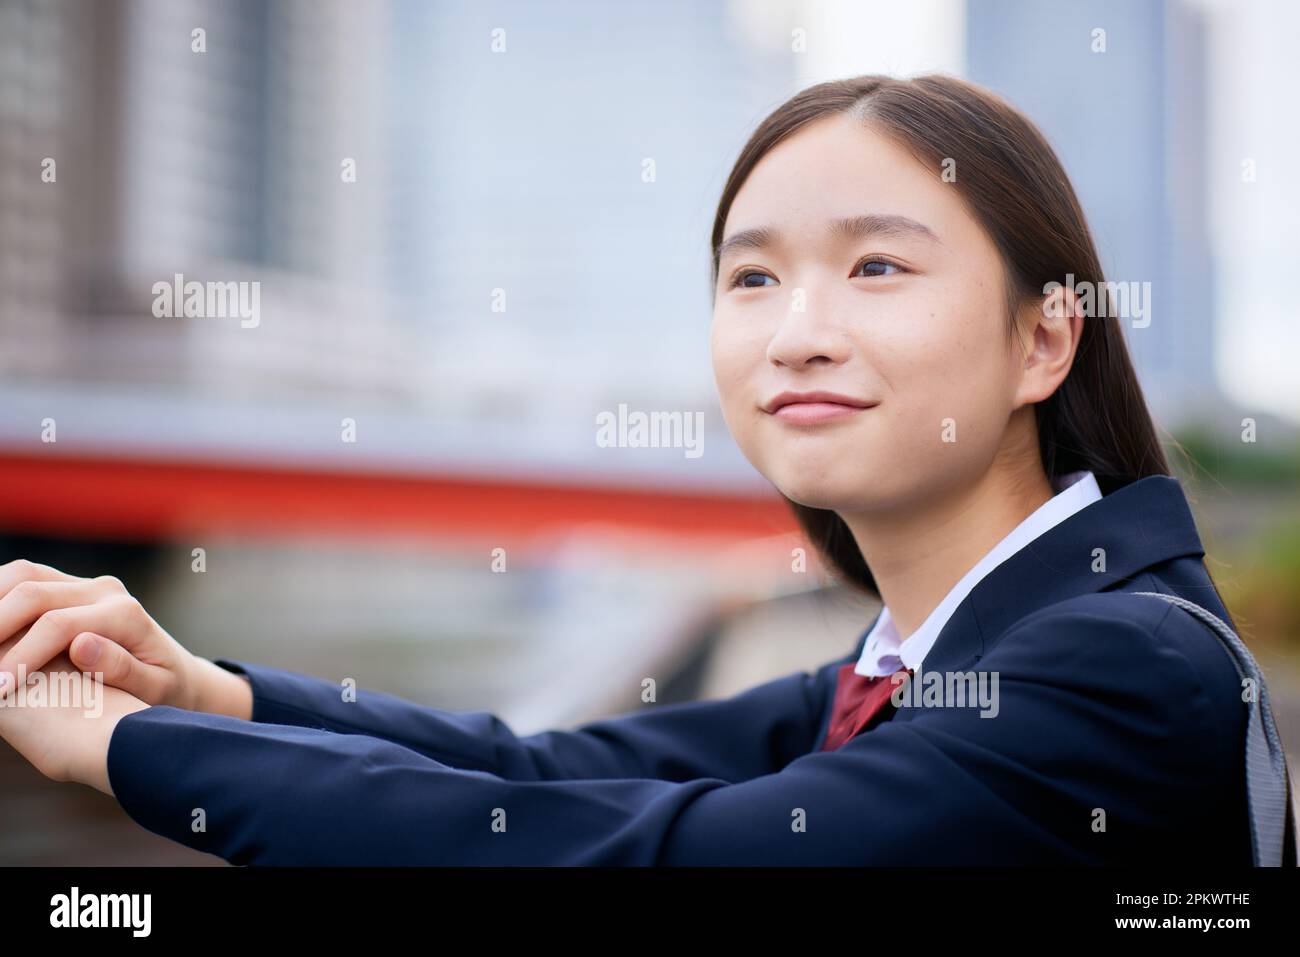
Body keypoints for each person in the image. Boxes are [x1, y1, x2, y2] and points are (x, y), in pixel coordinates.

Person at [0, 73, 1290, 865]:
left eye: (878, 266)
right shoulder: (915, 665)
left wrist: (129, 755)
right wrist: (208, 697)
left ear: (1043, 337)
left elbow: (640, 856)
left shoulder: (1116, 669)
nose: (798, 331)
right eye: (753, 275)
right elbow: (544, 775)